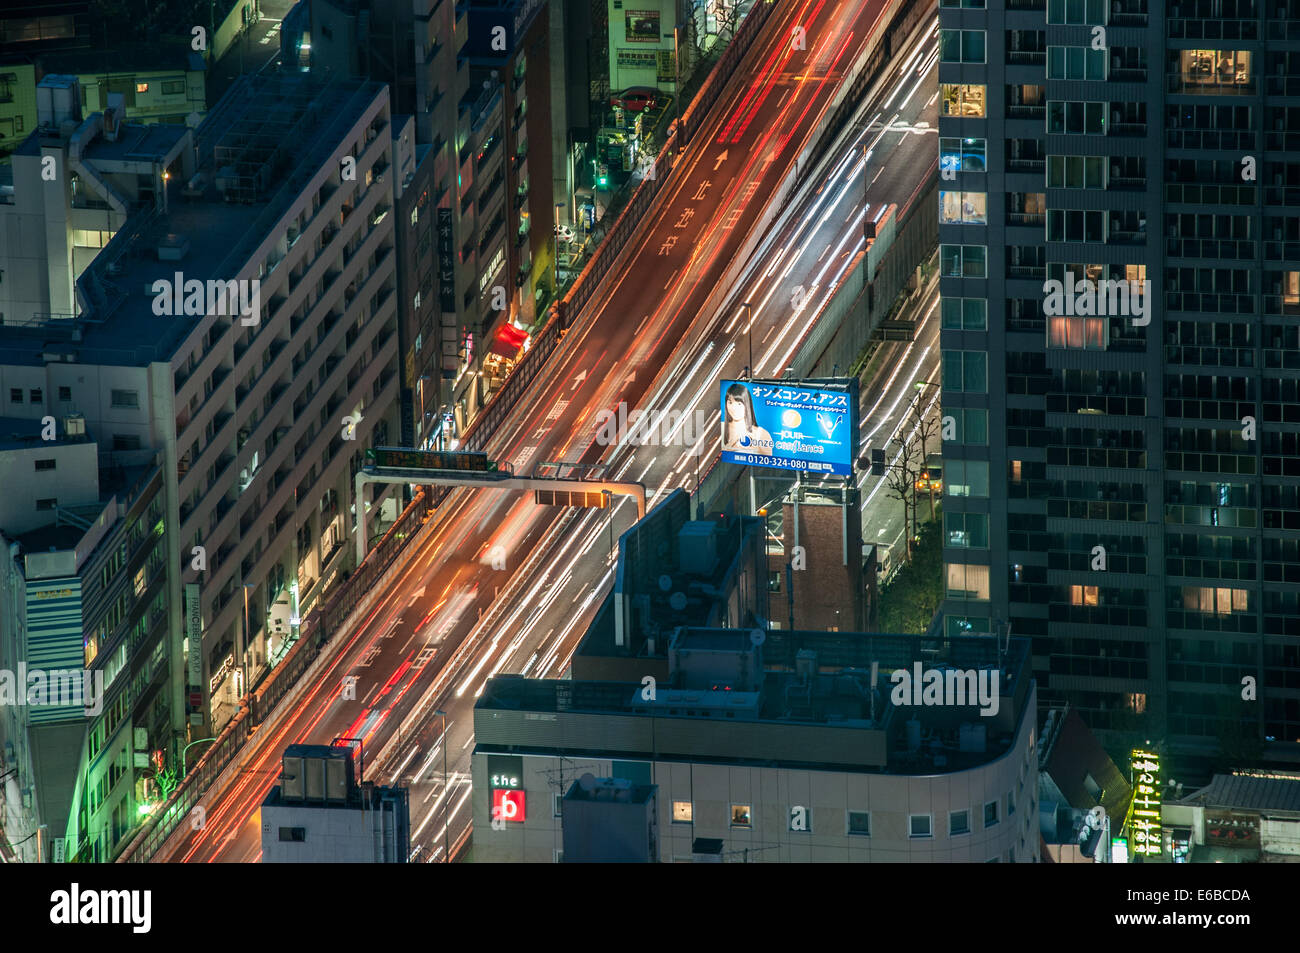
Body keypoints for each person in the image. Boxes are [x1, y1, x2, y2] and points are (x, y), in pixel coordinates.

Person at [722, 383, 773, 454]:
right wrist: (731, 446)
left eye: (739, 404)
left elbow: (768, 461)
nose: (734, 408)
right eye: (730, 402)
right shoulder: (721, 427)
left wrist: (757, 449)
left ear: (747, 404)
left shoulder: (761, 433)